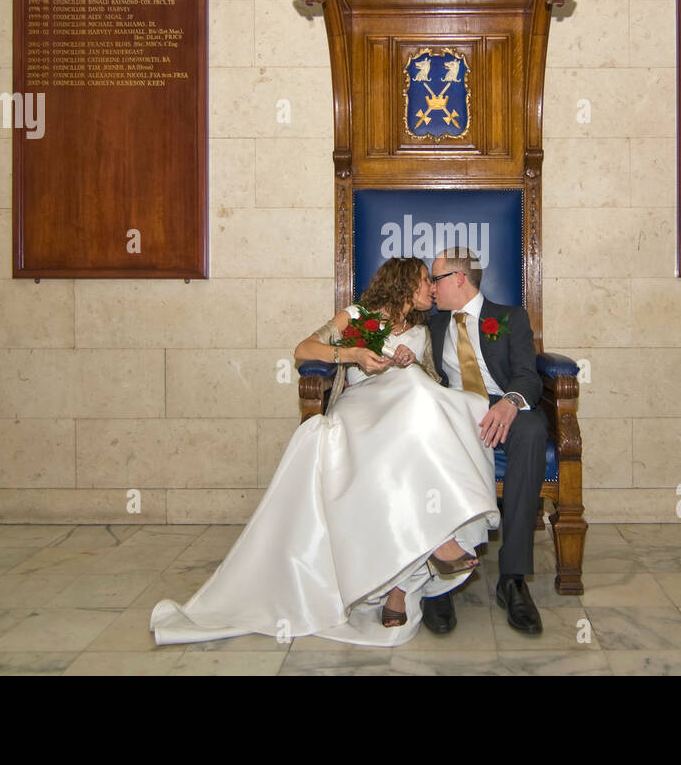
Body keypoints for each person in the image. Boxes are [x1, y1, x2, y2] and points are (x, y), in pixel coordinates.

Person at [149, 256, 499, 646]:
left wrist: (409, 361)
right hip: (364, 406)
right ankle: (432, 546)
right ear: (402, 282)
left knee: (425, 398)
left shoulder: (424, 328)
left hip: (410, 406)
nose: (431, 288)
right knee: (418, 405)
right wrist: (352, 355)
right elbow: (302, 349)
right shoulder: (357, 316)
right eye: (423, 280)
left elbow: (434, 380)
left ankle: (403, 585)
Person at [423, 246, 547, 635]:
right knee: (424, 433)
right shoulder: (431, 324)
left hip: (502, 405)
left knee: (532, 429)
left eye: (435, 278)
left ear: (458, 278)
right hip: (454, 408)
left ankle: (512, 578)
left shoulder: (509, 317)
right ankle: (437, 582)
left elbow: (528, 374)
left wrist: (511, 402)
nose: (431, 288)